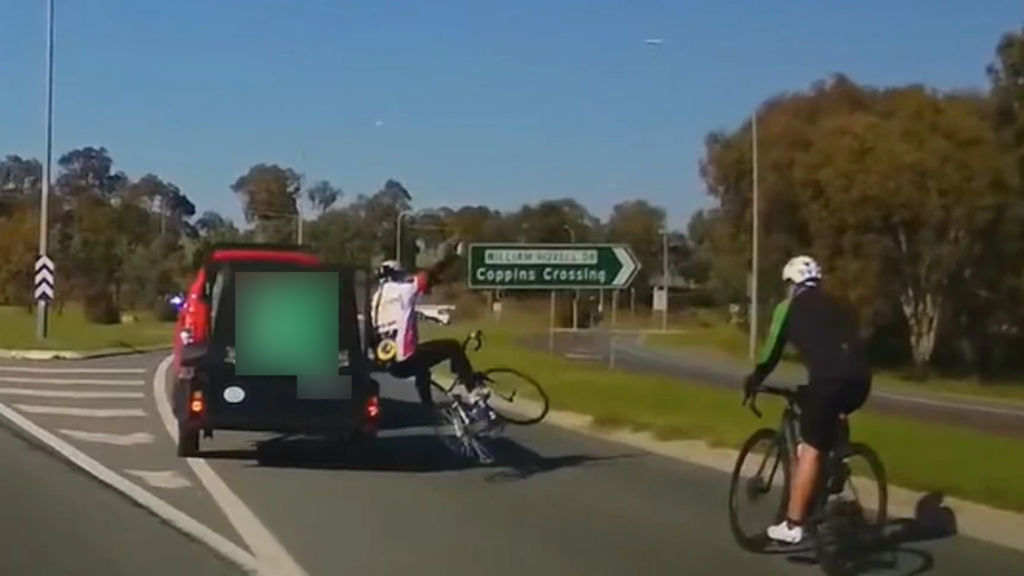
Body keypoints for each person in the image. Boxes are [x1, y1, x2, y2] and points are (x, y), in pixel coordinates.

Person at [743, 255, 872, 545]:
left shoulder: (788, 307)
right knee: (832, 413)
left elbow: (771, 352)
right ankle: (838, 470)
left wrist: (755, 378)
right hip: (861, 380)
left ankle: (793, 524)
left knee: (810, 449)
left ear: (791, 284)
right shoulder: (838, 303)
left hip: (828, 380)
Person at [369, 240, 488, 411]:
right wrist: (452, 257)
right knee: (452, 346)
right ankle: (472, 390)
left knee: (422, 367)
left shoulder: (375, 300)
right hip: (407, 358)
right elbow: (429, 274)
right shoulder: (403, 291)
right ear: (397, 275)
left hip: (390, 364)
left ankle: (428, 407)